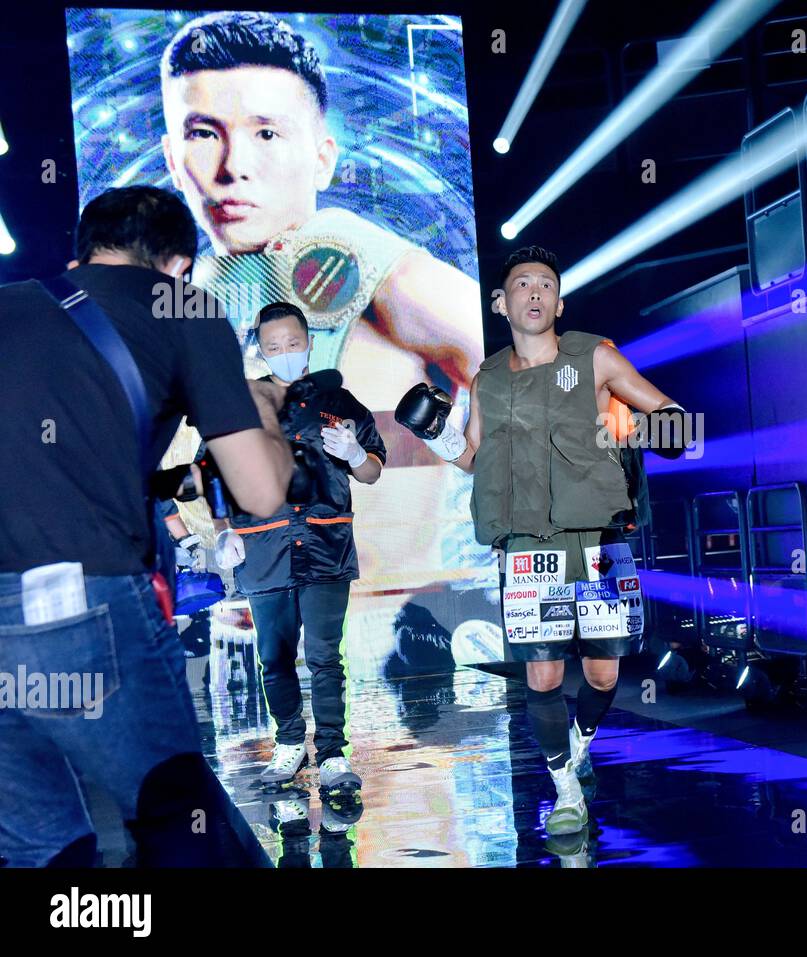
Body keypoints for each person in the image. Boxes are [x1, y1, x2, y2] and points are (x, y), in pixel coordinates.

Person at [0, 185, 294, 866]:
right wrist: (261, 405)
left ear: (82, 256)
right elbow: (259, 490)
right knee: (180, 823)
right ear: (178, 266)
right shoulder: (183, 307)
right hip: (76, 603)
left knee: (48, 856)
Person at [156, 10, 484, 587]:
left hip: (396, 620)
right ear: (171, 159)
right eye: (204, 133)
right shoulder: (192, 296)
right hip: (254, 605)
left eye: (266, 133)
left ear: (323, 157)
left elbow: (498, 355)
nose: (235, 169)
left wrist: (466, 456)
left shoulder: (368, 263)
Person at [395, 246, 688, 835]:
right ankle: (564, 788)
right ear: (501, 303)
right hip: (530, 547)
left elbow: (669, 413)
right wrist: (441, 437)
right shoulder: (488, 378)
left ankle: (578, 749)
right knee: (545, 676)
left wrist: (651, 427)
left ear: (559, 300)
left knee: (603, 677)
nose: (534, 292)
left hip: (602, 543)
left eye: (546, 284)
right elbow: (476, 459)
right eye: (522, 284)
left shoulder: (597, 358)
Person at [206, 301, 386, 796]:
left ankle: (331, 752)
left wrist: (354, 454)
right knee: (275, 655)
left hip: (326, 545)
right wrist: (223, 531)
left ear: (309, 343)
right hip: (263, 549)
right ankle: (289, 742)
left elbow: (372, 469)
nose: (284, 352)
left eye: (293, 343)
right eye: (273, 346)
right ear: (260, 350)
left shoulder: (340, 401)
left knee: (327, 655)